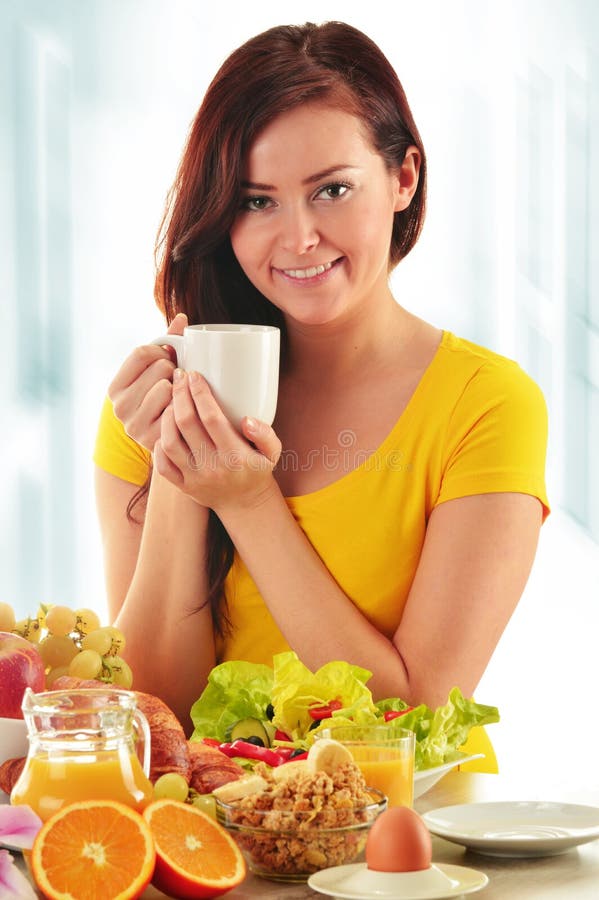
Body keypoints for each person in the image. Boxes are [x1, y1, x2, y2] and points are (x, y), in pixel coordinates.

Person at [94, 21, 549, 758]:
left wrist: (248, 501)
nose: (298, 237)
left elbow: (413, 721)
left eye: (331, 189)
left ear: (403, 177)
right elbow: (157, 723)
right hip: (223, 862)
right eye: (256, 201)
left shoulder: (486, 404)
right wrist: (182, 473)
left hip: (401, 858)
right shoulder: (150, 404)